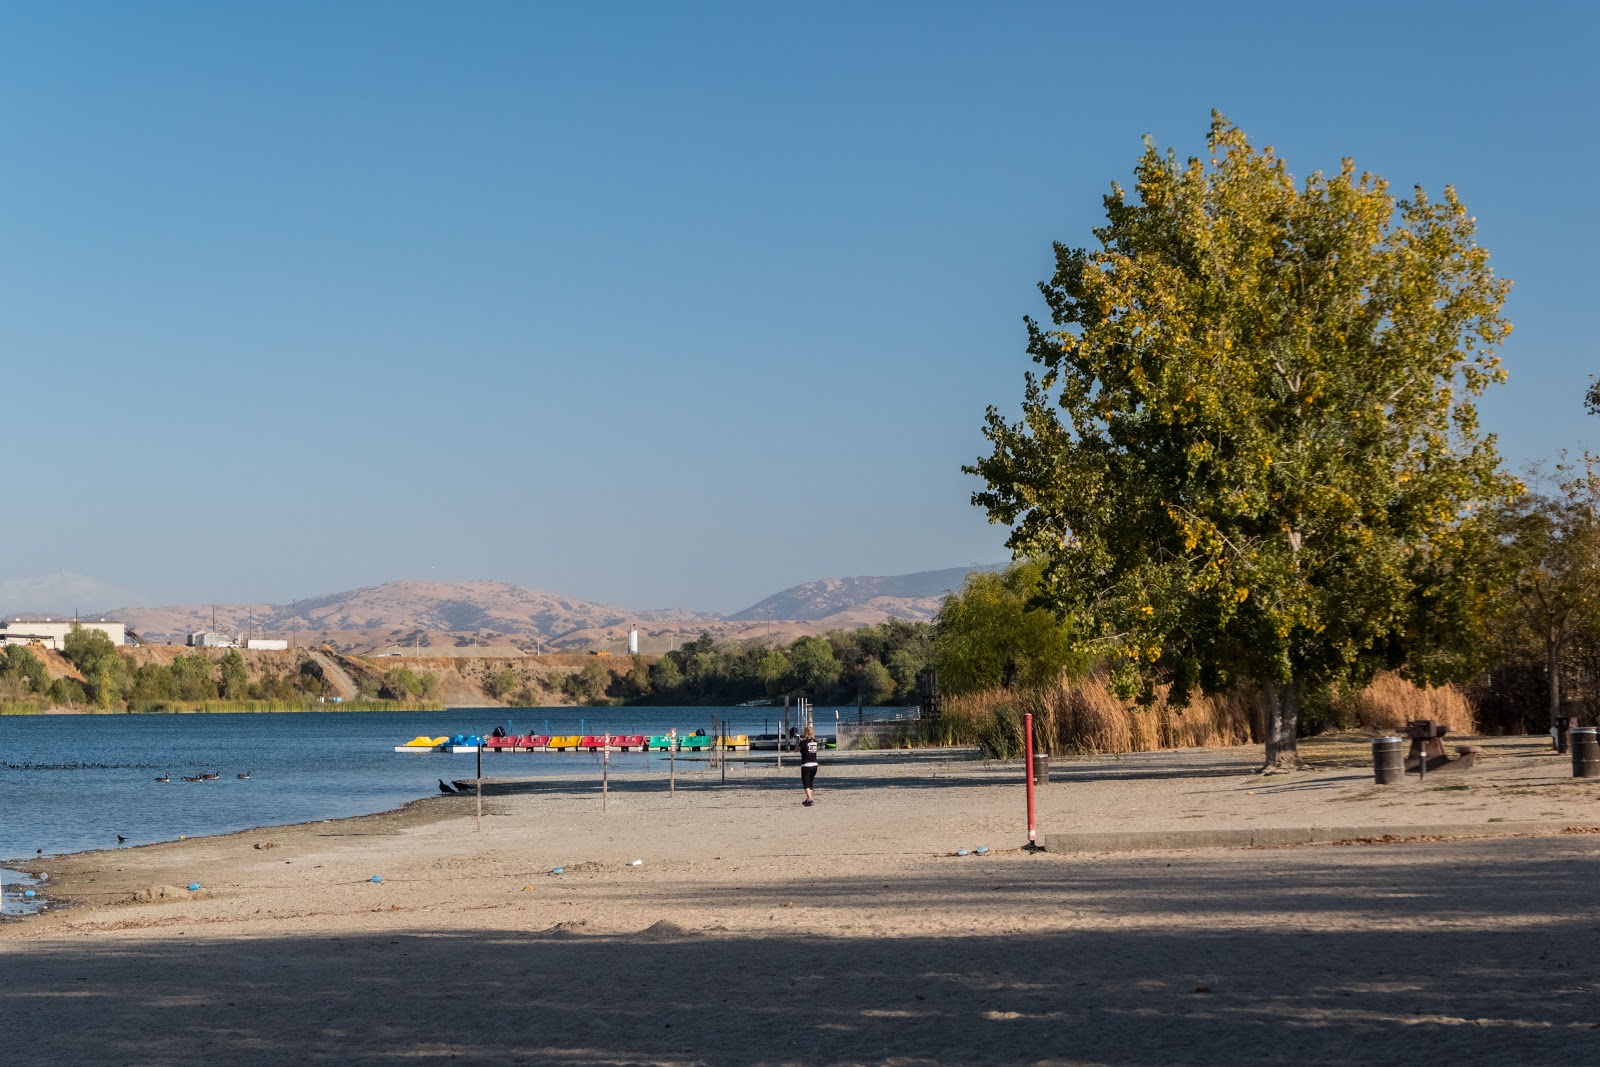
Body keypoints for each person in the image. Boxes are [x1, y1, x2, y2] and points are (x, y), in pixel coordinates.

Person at [799, 724, 820, 806]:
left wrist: (799, 743)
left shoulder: (803, 742)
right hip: (814, 764)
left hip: (806, 764)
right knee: (811, 782)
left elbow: (796, 750)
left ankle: (809, 799)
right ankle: (809, 798)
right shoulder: (815, 742)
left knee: (806, 782)